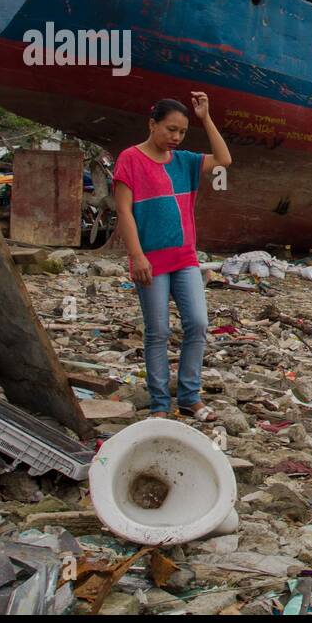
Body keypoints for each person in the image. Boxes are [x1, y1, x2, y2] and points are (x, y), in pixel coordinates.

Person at [113, 94, 231, 421]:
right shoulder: (130, 159)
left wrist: (206, 118)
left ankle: (190, 397)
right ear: (152, 124)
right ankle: (160, 405)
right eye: (170, 129)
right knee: (158, 332)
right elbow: (124, 211)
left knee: (198, 323)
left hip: (184, 258)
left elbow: (224, 158)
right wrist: (136, 256)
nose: (176, 138)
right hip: (150, 260)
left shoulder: (185, 161)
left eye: (181, 132)